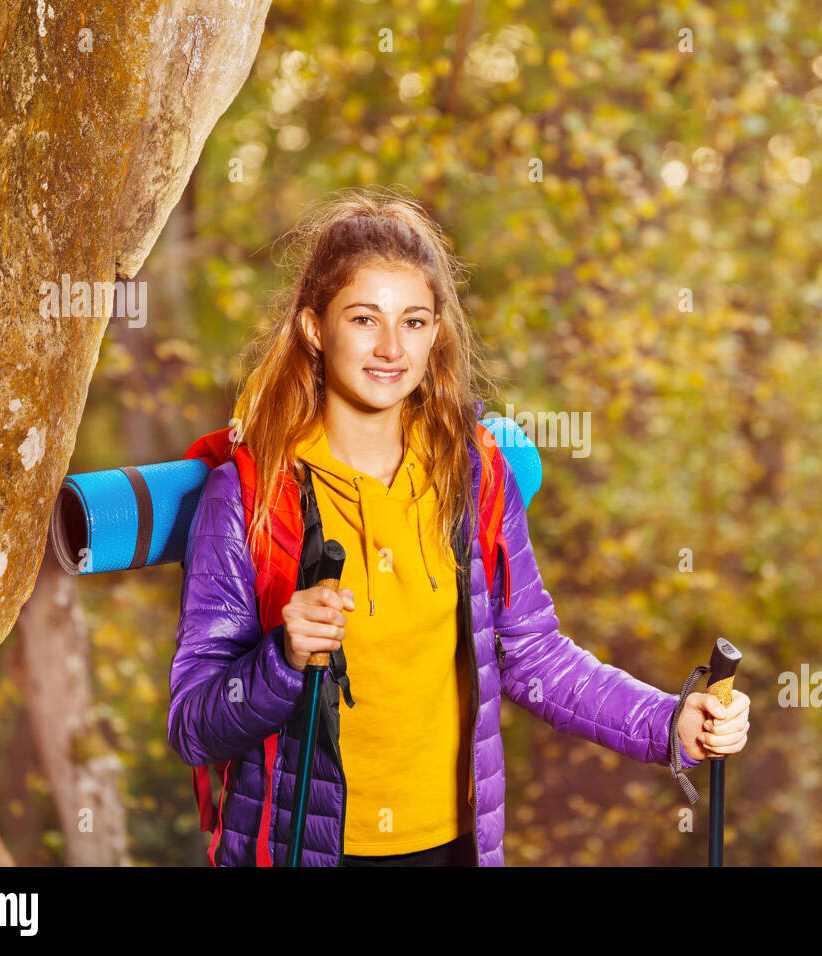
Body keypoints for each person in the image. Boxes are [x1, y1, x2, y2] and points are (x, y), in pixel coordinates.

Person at [168, 187, 750, 866]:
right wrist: (283, 656)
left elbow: (532, 656)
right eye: (364, 318)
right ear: (312, 329)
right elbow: (194, 726)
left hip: (453, 849)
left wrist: (668, 721)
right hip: (306, 853)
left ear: (437, 332)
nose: (391, 347)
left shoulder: (473, 475)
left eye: (414, 322)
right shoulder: (248, 493)